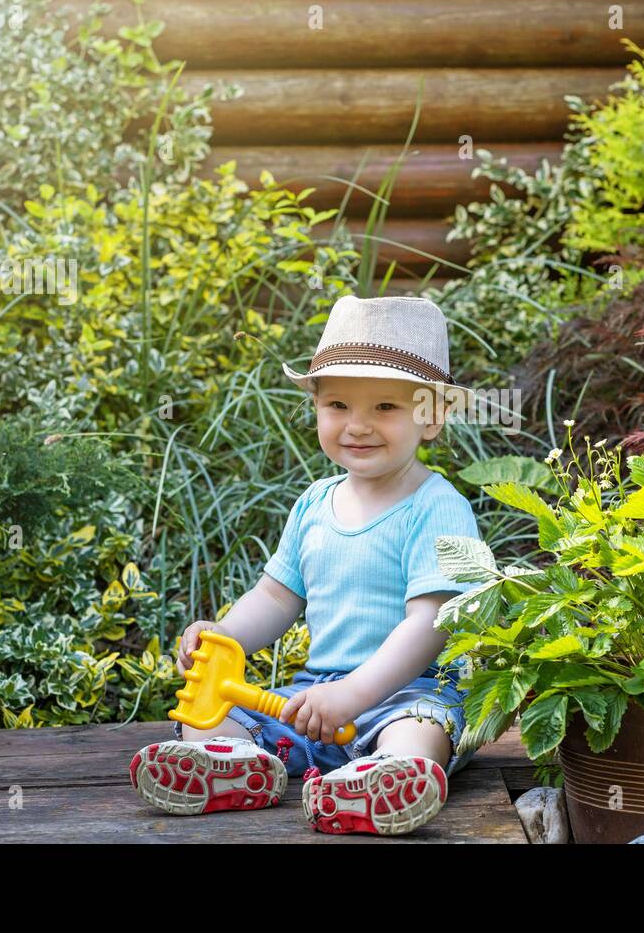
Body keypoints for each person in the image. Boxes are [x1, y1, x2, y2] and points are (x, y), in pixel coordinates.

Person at [130, 295, 481, 836]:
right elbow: (275, 598)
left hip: (408, 690)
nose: (357, 426)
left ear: (431, 416)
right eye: (338, 405)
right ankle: (235, 766)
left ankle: (387, 777)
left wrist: (356, 696)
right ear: (316, 407)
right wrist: (224, 636)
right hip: (314, 696)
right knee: (212, 713)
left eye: (384, 408)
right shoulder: (314, 504)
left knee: (421, 727)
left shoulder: (437, 507)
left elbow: (430, 624)